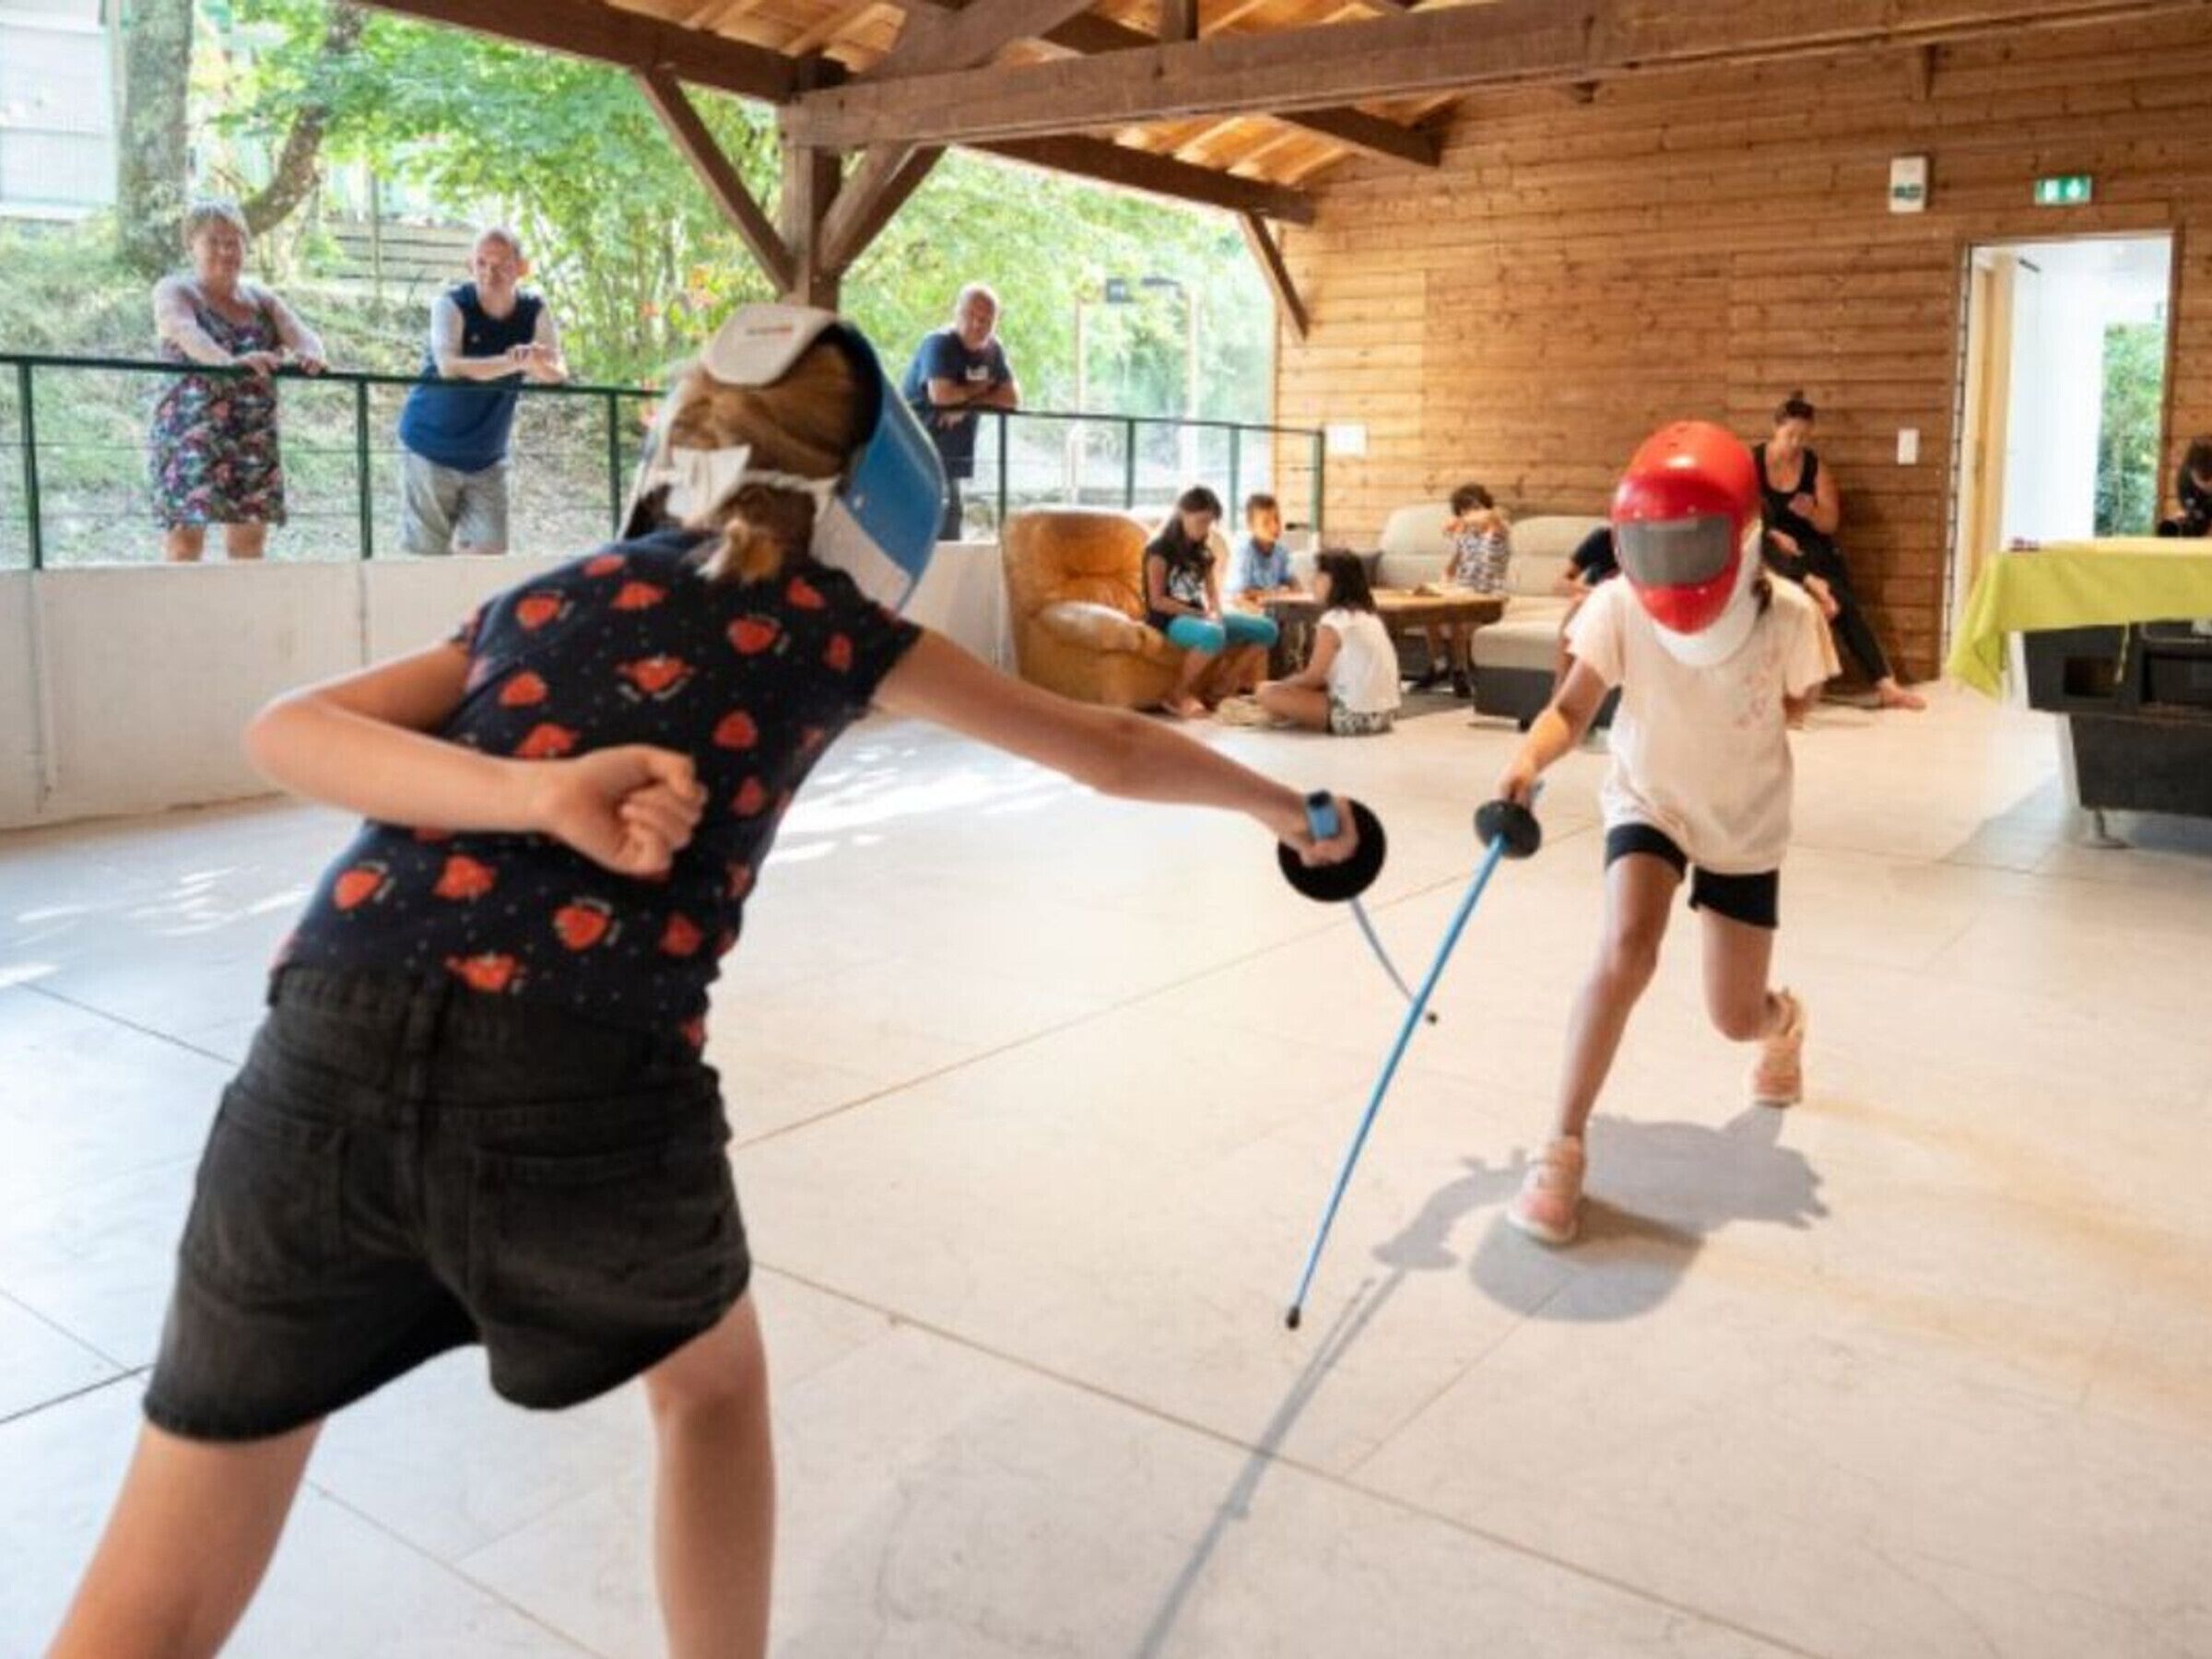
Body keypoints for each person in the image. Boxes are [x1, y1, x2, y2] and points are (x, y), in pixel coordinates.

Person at [47, 303, 1359, 1659]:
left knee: (156, 1601)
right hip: (580, 1063)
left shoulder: (542, 595)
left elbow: (287, 729)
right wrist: (1286, 810)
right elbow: (1111, 750)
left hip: (315, 1048)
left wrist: (529, 787)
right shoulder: (834, 624)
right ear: (874, 488)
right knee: (710, 1389)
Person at [1495, 420, 1832, 1248]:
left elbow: (1798, 706)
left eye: (1693, 541)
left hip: (1744, 822)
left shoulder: (1788, 617)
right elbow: (1572, 710)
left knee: (1732, 1016)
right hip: (1648, 801)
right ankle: (1562, 1148)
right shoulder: (1618, 606)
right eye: (1654, 542)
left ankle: (1783, 1020)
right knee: (1625, 951)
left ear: (1742, 535)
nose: (1672, 561)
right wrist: (1528, 760)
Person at [147, 199, 327, 563]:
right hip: (192, 432)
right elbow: (180, 329)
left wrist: (311, 355)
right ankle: (182, 619)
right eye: (213, 241)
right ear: (192, 246)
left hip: (252, 433)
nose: (226, 250)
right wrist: (229, 362)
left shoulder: (261, 298)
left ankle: (246, 619)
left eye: (234, 241)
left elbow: (302, 334)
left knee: (249, 545)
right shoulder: (176, 290)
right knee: (185, 542)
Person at [395, 227, 568, 557]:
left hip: (488, 455)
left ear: (521, 268)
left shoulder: (534, 310)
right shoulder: (450, 304)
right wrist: (514, 363)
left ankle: (465, 607)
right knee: (425, 558)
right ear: (469, 266)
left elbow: (557, 371)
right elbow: (449, 365)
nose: (490, 273)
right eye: (481, 263)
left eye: (501, 264)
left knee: (488, 556)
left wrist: (534, 362)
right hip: (429, 447)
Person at [1755, 391, 1924, 711]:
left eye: (1803, 437)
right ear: (1776, 428)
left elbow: (1830, 523)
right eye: (1790, 434)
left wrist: (1811, 513)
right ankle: (1785, 686)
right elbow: (1744, 518)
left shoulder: (1815, 467)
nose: (1795, 443)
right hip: (1772, 550)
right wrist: (1774, 533)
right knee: (1782, 596)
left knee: (1845, 603)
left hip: (1813, 548)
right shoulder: (1752, 462)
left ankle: (1886, 685)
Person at [1146, 485, 1279, 719]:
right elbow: (1157, 601)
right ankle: (1176, 693)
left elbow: (1212, 593)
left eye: (1209, 523)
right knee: (1213, 634)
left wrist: (1216, 613)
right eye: (1201, 521)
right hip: (1169, 619)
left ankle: (1225, 682)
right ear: (1182, 514)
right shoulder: (1158, 550)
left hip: (1200, 618)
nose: (1205, 529)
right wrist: (1200, 616)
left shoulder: (1203, 552)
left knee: (1268, 629)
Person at [900, 284, 1020, 541]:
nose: (977, 325)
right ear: (957, 313)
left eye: (986, 320)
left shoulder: (993, 350)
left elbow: (1011, 399)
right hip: (915, 452)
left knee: (951, 525)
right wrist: (982, 388)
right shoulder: (939, 344)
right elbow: (942, 396)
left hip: (952, 459)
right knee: (927, 526)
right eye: (971, 316)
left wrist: (964, 404)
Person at [1255, 550, 1401, 735]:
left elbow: (1313, 678)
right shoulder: (1370, 617)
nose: (1313, 582)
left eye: (1319, 575)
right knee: (1289, 693)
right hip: (1386, 715)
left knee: (1266, 692)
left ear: (1335, 581)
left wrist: (1280, 686)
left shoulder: (1334, 621)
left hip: (1354, 716)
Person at [1417, 482, 1512, 699]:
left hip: (1488, 597)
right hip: (1463, 591)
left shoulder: (1498, 530)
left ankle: (1460, 671)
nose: (1469, 515)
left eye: (1473, 509)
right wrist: (1442, 584)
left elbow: (1493, 516)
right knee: (1428, 608)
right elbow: (1452, 566)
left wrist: (1461, 520)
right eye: (1462, 510)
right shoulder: (1466, 535)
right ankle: (1440, 666)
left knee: (1456, 614)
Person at [1225, 492, 1301, 599]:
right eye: (1266, 523)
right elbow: (1241, 593)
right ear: (1251, 526)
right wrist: (1275, 593)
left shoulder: (1281, 551)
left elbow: (1290, 579)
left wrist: (1295, 587)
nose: (1274, 526)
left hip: (1271, 606)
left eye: (1277, 519)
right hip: (1246, 609)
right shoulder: (1244, 553)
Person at [2156, 435, 2212, 536]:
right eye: (2204, 481)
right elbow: (2190, 505)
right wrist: (2190, 512)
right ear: (2192, 472)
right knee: (2194, 521)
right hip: (2198, 504)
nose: (2208, 485)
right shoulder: (2185, 480)